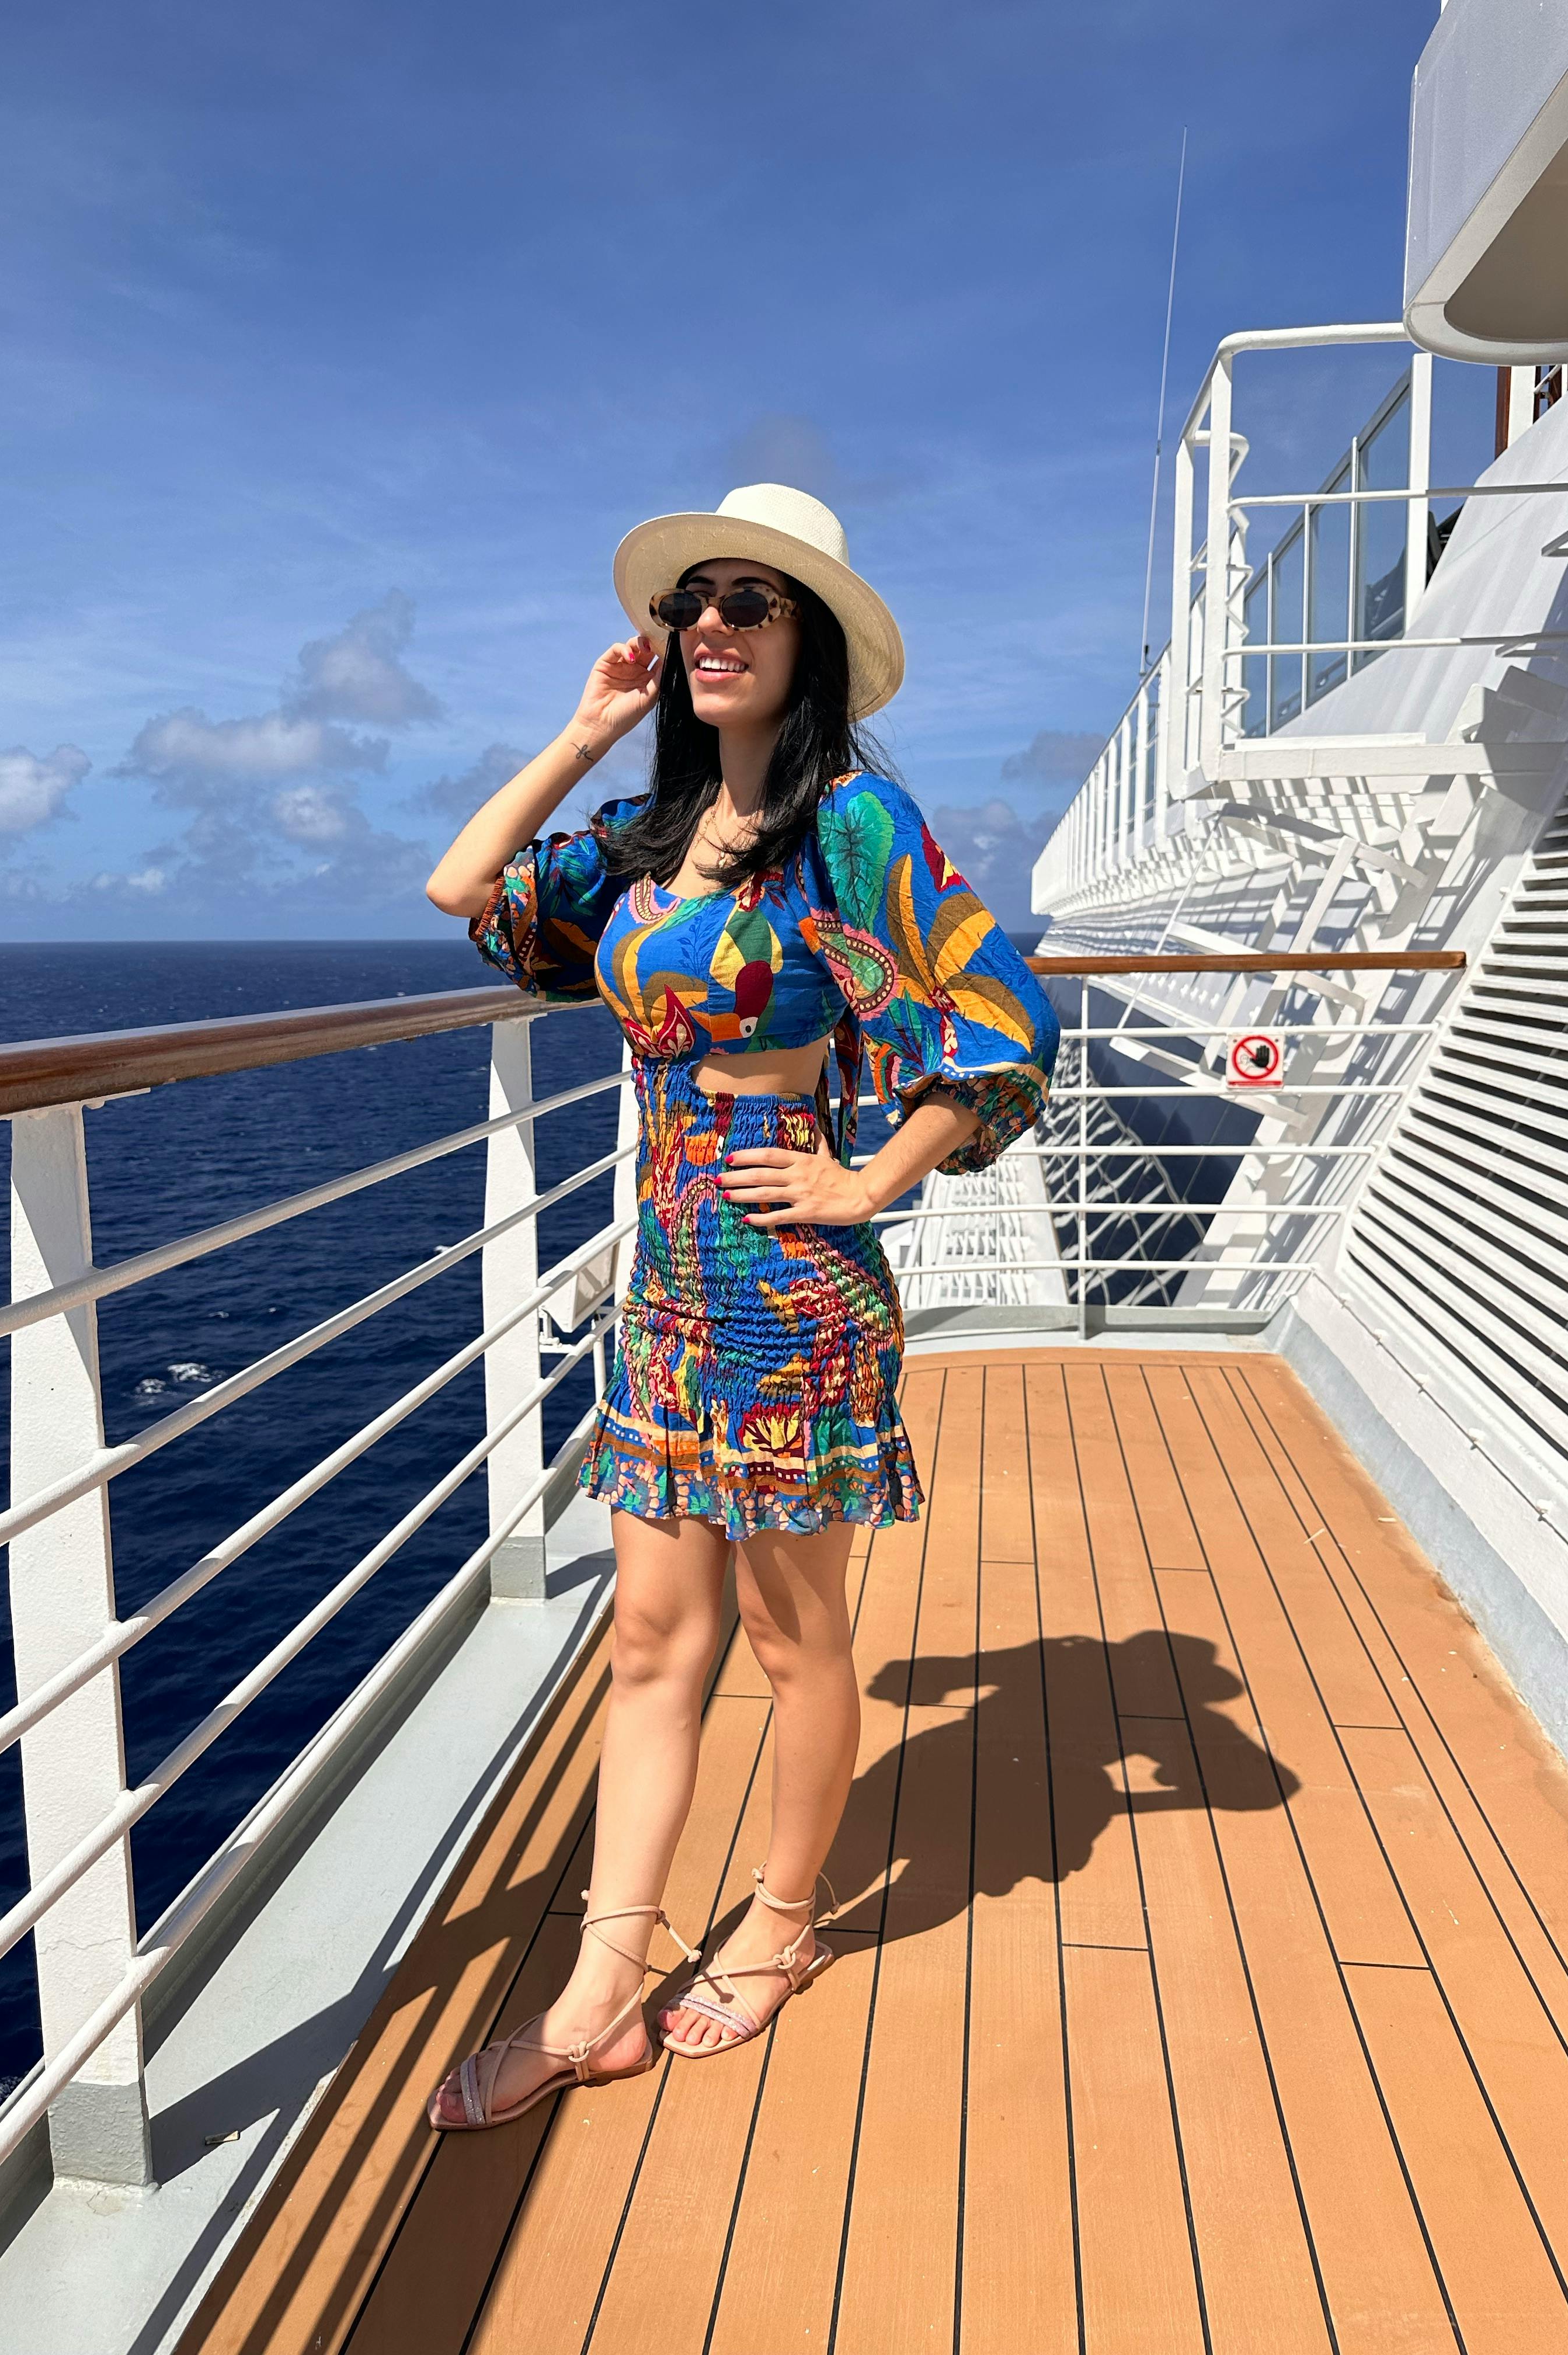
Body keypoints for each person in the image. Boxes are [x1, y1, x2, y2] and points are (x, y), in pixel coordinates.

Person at [422, 482, 1058, 2130]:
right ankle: (602, 1991)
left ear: (813, 643)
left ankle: (777, 1930)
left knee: (793, 1639)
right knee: (649, 1641)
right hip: (666, 1294)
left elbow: (1002, 1028)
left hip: (791, 1291)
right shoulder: (645, 846)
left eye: (749, 604)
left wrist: (866, 1181)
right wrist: (585, 729)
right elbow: (463, 891)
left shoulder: (852, 829)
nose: (708, 624)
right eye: (692, 601)